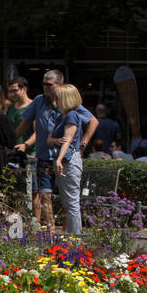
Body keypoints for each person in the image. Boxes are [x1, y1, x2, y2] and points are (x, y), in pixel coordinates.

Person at [15, 70, 97, 231]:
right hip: (46, 157)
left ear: (60, 85)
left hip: (64, 158)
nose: (45, 87)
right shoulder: (40, 101)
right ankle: (51, 232)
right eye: (43, 84)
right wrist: (12, 141)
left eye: (49, 84)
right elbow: (26, 124)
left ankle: (70, 234)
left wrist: (82, 145)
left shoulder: (70, 106)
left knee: (68, 200)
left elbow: (93, 122)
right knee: (45, 195)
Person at [51, 84, 90, 236]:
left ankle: (76, 237)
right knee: (68, 202)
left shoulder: (72, 115)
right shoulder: (62, 116)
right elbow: (51, 139)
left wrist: (59, 159)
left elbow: (67, 140)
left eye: (58, 97)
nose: (56, 100)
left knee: (72, 202)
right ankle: (73, 237)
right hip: (65, 160)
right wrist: (54, 141)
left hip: (69, 160)